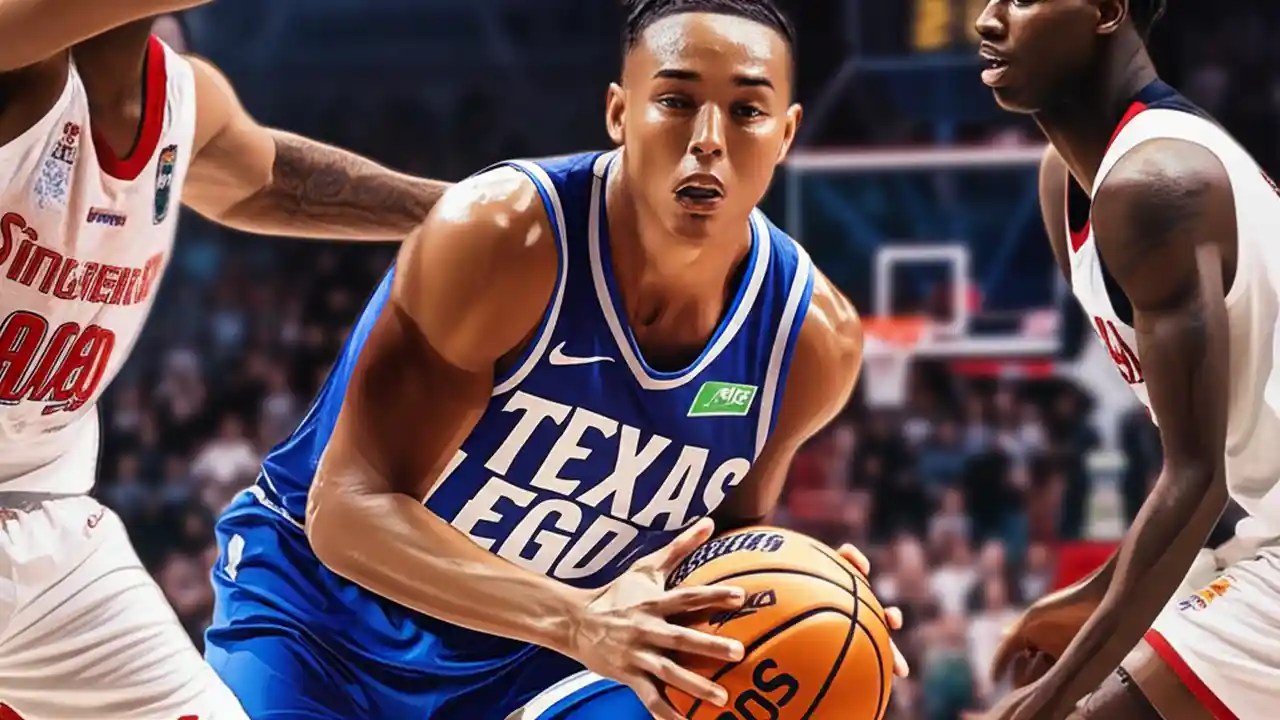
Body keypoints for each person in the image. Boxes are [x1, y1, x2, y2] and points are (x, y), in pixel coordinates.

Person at [204, 1, 905, 719]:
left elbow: (712, 548)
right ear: (618, 113)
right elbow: (347, 510)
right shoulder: (506, 239)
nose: (708, 141)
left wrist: (799, 583)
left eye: (746, 111)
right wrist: (575, 619)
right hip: (325, 618)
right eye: (675, 100)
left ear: (786, 132)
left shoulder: (812, 342)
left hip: (550, 656)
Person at [0, 2, 451, 718]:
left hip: (49, 525)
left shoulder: (186, 98)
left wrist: (480, 212)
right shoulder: (16, 59)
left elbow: (272, 182)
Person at [975, 1, 1280, 718]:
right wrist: (1091, 598)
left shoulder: (1156, 185)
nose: (988, 19)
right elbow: (1218, 476)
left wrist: (1054, 697)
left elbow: (1199, 480)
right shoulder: (1070, 181)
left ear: (1108, 10)